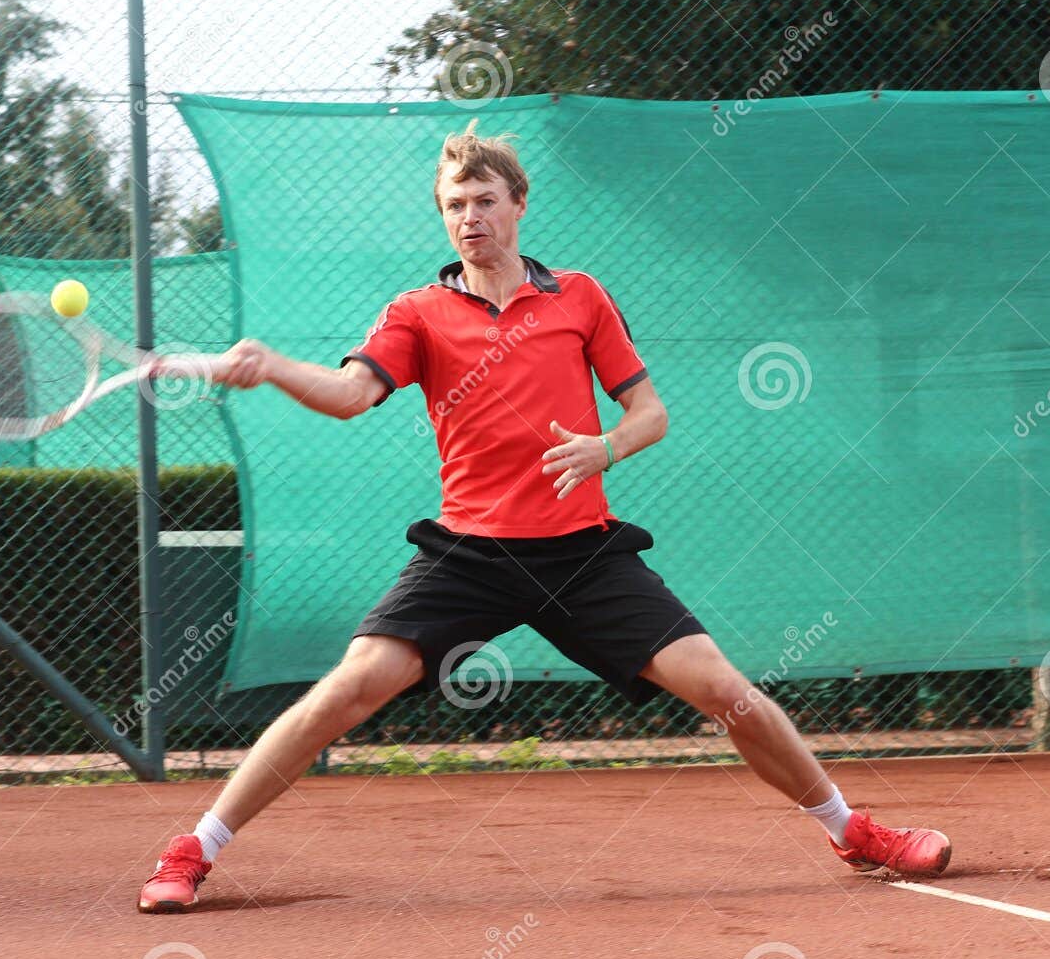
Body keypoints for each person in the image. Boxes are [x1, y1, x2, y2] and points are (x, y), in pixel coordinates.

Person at [138, 122, 950, 913]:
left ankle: (853, 831)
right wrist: (275, 367)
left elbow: (651, 412)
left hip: (582, 554)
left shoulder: (581, 296)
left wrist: (607, 448)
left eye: (485, 200)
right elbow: (352, 396)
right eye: (455, 205)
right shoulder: (417, 312)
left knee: (727, 692)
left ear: (519, 204)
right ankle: (195, 848)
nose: (470, 218)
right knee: (346, 691)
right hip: (469, 553)